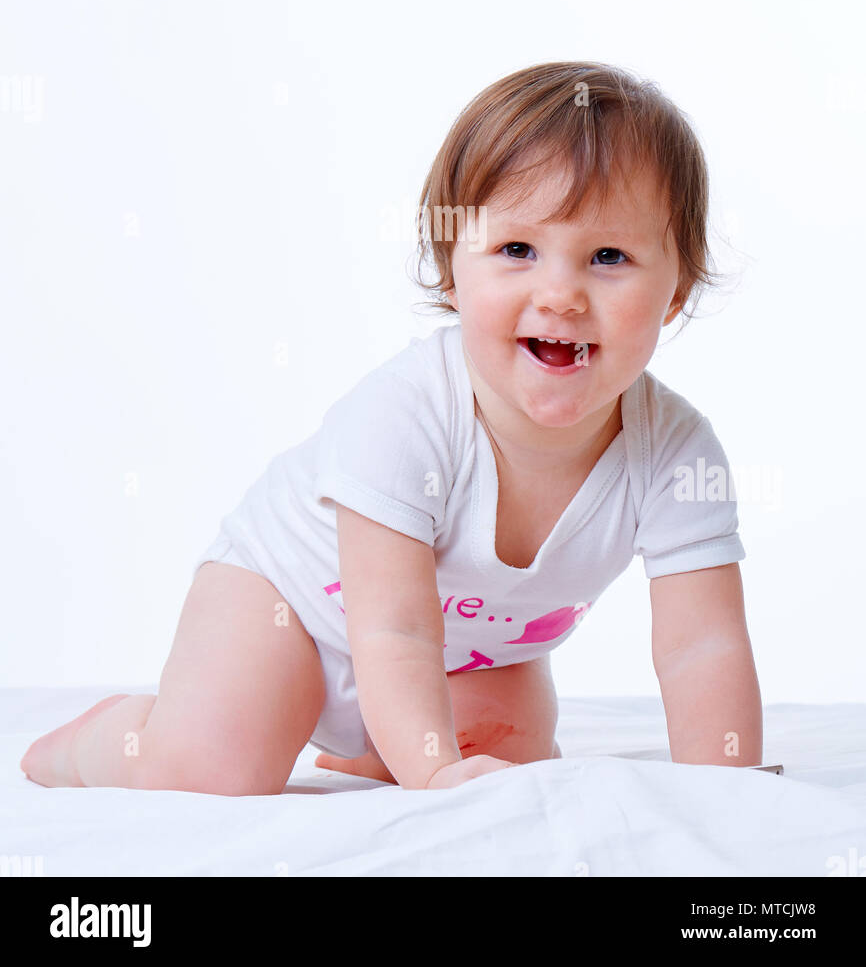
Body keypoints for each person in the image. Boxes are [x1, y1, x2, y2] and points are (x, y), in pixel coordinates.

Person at [20, 60, 762, 795]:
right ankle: (100, 742)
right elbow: (393, 631)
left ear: (675, 293)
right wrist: (434, 772)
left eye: (609, 256)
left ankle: (376, 748)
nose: (560, 293)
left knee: (515, 767)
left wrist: (729, 785)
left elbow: (704, 645)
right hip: (290, 608)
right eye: (516, 250)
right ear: (451, 266)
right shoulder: (404, 416)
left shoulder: (678, 455)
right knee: (211, 769)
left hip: (473, 657)